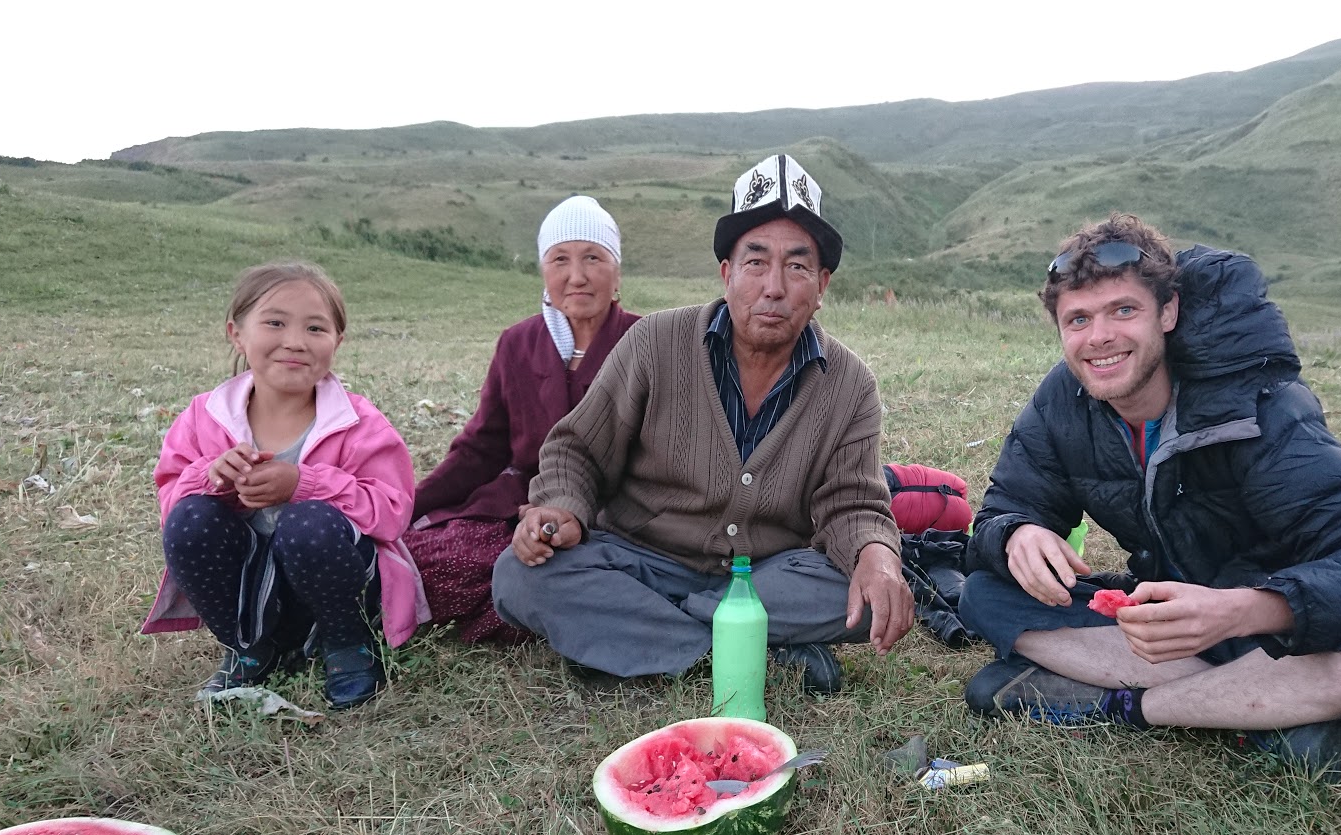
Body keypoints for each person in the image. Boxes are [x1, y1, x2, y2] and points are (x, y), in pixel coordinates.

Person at [958, 214, 1341, 774]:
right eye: (1079, 319)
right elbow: (1003, 510)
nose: (1099, 338)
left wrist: (1247, 609)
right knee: (985, 594)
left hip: (1281, 631)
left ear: (1167, 312)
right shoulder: (1061, 403)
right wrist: (1016, 533)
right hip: (1168, 626)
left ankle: (1122, 706)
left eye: (1123, 310)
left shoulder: (1258, 403)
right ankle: (1264, 708)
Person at [492, 154, 914, 693]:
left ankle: (647, 641)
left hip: (762, 577)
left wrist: (876, 559)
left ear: (822, 283)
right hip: (639, 561)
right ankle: (746, 649)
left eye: (798, 266)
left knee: (850, 590)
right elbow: (576, 451)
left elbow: (853, 503)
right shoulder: (655, 343)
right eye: (756, 262)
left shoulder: (850, 383)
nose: (774, 287)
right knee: (520, 575)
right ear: (727, 272)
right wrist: (561, 508)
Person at [143, 261, 425, 709]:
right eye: (275, 322)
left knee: (308, 522)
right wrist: (212, 477)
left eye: (316, 328)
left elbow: (392, 512)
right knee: (192, 520)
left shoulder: (358, 423)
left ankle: (347, 645)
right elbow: (171, 506)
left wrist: (304, 483)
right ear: (237, 332)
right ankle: (250, 647)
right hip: (252, 592)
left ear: (337, 341)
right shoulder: (205, 416)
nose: (295, 341)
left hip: (337, 592)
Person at [405, 196, 640, 643]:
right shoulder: (517, 344)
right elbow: (482, 448)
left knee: (557, 568)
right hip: (519, 506)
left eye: (594, 257)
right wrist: (410, 506)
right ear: (543, 272)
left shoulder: (645, 341)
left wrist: (573, 508)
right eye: (560, 260)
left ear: (617, 271)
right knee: (425, 559)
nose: (577, 276)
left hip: (611, 514)